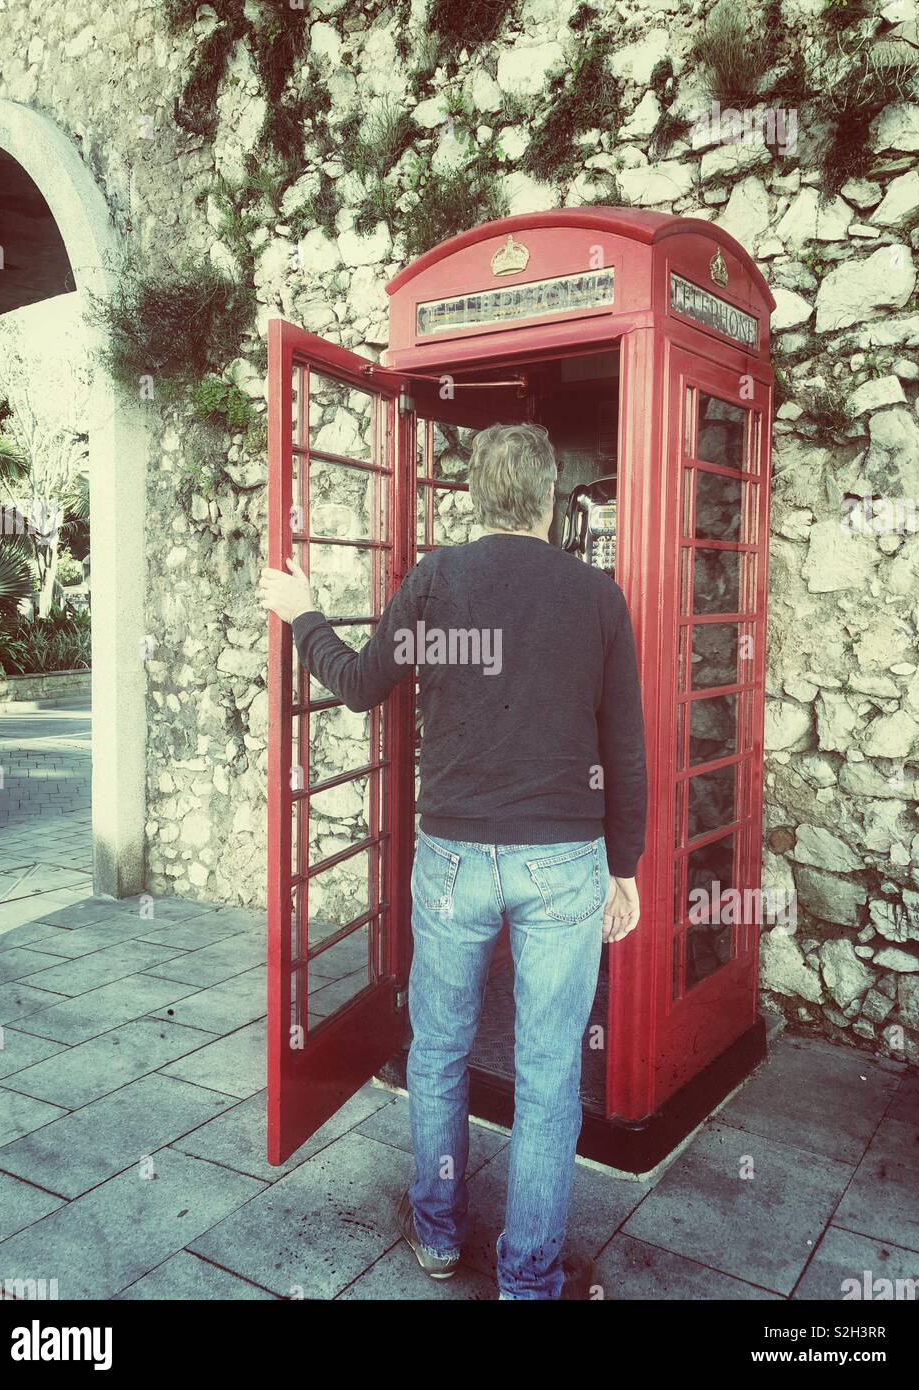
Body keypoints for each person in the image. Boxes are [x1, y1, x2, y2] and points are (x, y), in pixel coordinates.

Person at [258, 422, 648, 1300]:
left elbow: (358, 685)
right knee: (549, 1080)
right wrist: (624, 866)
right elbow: (623, 748)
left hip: (452, 861)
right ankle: (528, 1280)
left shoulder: (437, 578)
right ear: (551, 498)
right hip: (562, 862)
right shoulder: (597, 596)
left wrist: (302, 612)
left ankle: (437, 1236)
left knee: (436, 1053)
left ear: (477, 497)